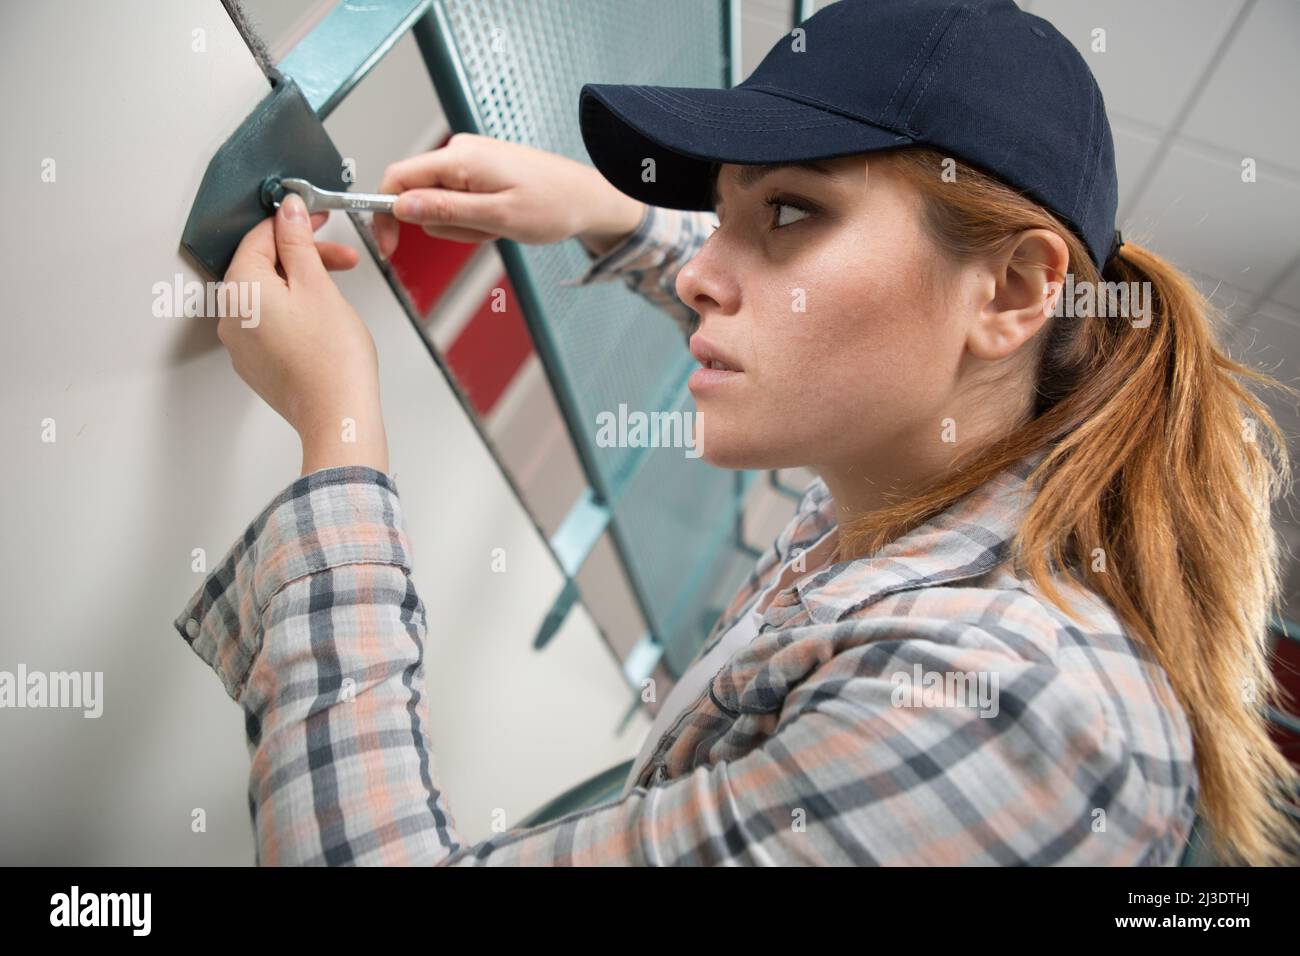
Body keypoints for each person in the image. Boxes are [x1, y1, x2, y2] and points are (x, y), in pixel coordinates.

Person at [176, 0, 1299, 865]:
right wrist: (601, 211)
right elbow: (794, 318)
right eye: (722, 213)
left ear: (1012, 291)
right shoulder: (927, 470)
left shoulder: (1002, 705)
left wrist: (339, 429)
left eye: (790, 211)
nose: (707, 271)